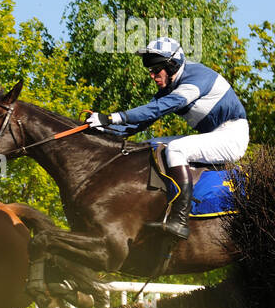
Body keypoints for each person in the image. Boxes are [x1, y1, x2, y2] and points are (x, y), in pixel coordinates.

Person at [85, 37, 249, 240]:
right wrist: (103, 129)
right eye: (150, 71)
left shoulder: (196, 78)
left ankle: (180, 218)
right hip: (214, 134)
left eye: (156, 70)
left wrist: (112, 117)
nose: (152, 76)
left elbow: (158, 108)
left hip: (231, 136)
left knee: (176, 150)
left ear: (172, 65)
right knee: (151, 145)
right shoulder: (172, 84)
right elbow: (141, 122)